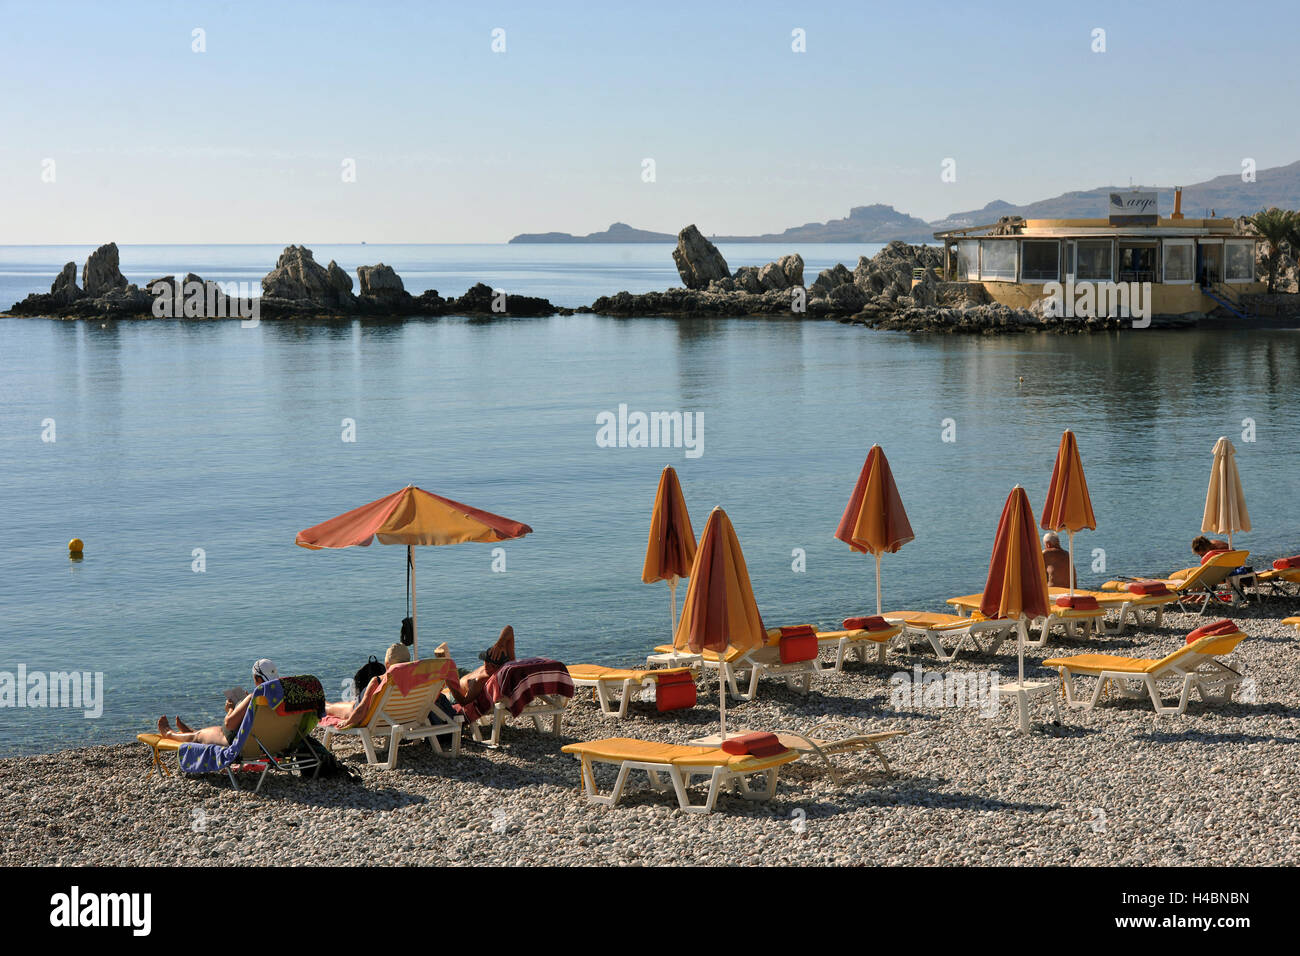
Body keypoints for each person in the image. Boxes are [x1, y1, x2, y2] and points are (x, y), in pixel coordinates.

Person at [157, 659, 279, 746]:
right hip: (270, 743)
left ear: (257, 678)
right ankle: (190, 731)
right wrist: (245, 705)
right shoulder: (282, 697)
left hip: (241, 743)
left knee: (198, 737)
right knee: (212, 730)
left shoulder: (254, 697)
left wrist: (230, 709)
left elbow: (229, 724)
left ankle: (168, 733)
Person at [324, 643, 409, 719]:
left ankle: (322, 705)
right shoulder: (415, 681)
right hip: (400, 718)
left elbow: (360, 712)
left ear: (387, 664)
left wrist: (348, 723)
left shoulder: (378, 682)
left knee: (330, 708)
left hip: (370, 717)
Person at [438, 625, 515, 708]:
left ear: (500, 668)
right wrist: (500, 644)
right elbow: (509, 629)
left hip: (456, 692)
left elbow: (464, 702)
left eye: (492, 665)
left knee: (436, 691)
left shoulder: (481, 681)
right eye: (486, 661)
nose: (487, 666)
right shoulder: (509, 663)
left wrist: (450, 684)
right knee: (443, 662)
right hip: (466, 675)